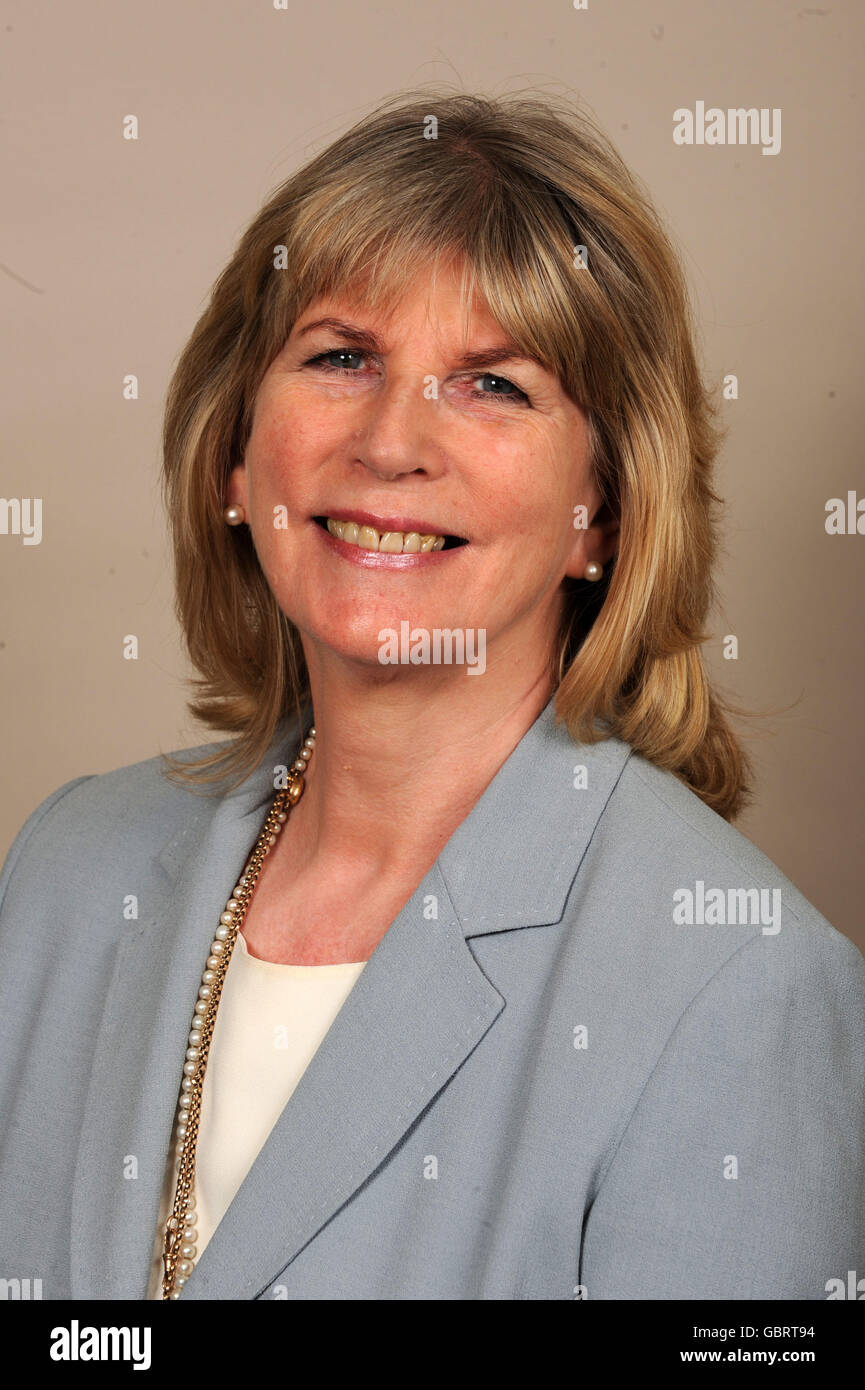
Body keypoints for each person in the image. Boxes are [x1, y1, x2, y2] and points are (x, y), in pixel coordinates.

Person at [1, 90, 862, 1302]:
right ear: (236, 461)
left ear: (602, 513)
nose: (392, 442)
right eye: (341, 356)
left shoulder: (735, 989)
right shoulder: (62, 875)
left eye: (493, 384)